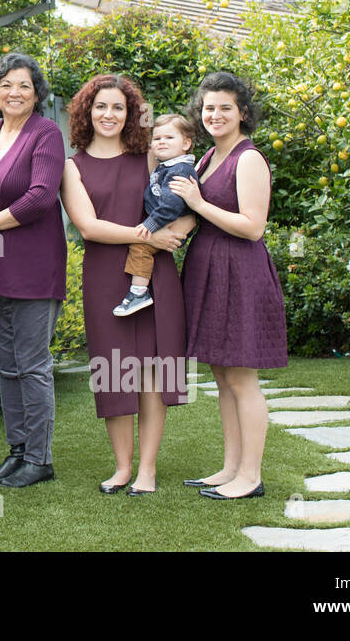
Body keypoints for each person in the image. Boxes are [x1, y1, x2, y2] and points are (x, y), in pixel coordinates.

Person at [61, 74, 191, 497]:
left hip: (155, 273)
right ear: (87, 111)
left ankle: (147, 471)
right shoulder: (72, 166)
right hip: (104, 276)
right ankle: (121, 468)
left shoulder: (149, 157)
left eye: (118, 107)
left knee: (152, 372)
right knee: (114, 372)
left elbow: (189, 199)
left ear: (130, 113)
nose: (109, 114)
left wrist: (180, 230)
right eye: (101, 106)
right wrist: (147, 235)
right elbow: (89, 227)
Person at [172, 71, 288, 500]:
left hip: (240, 271)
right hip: (209, 269)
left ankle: (251, 476)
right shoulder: (206, 159)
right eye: (208, 107)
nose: (215, 115)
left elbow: (253, 226)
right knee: (222, 375)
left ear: (242, 113)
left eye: (225, 107)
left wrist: (199, 204)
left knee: (242, 377)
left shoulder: (249, 158)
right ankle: (231, 467)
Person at [0, 53, 66, 488]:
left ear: (36, 93)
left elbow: (42, 195)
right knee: (8, 366)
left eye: (24, 85)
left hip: (33, 266)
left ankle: (40, 459)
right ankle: (18, 450)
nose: (15, 92)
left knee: (33, 365)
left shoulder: (46, 134)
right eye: (6, 85)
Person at [114, 113, 199, 317]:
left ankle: (138, 293)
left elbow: (171, 205)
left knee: (140, 247)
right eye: (157, 138)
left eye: (169, 138)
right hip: (164, 222)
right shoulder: (166, 166)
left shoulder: (179, 169)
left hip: (169, 223)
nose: (161, 142)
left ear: (186, 143)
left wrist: (151, 224)